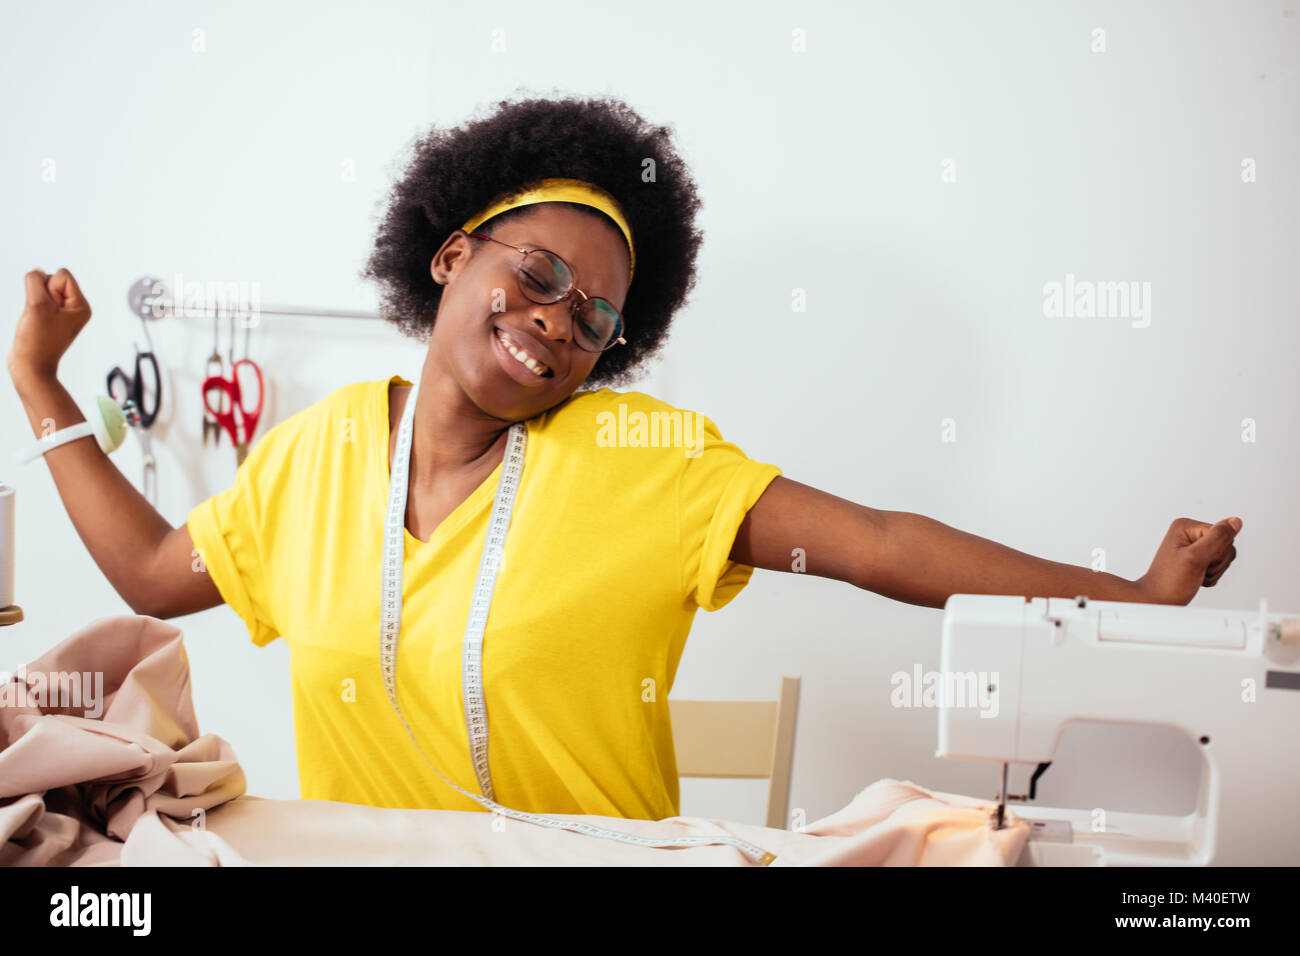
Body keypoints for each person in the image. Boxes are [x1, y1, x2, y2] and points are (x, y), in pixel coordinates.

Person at [8, 94, 1241, 822]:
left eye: (593, 315)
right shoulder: (317, 453)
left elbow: (880, 542)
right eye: (534, 273)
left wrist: (1124, 598)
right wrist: (41, 381)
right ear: (452, 256)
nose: (556, 315)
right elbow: (156, 574)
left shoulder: (638, 457)